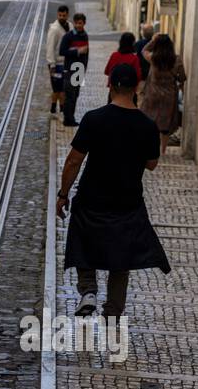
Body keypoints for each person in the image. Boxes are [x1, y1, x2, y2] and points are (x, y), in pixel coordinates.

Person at [57, 63, 170, 318]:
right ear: (136, 88)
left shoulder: (94, 119)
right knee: (122, 259)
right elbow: (152, 165)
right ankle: (113, 311)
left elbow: (74, 160)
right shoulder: (147, 126)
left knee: (84, 243)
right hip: (127, 202)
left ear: (111, 86)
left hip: (91, 199)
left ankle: (87, 291)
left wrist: (63, 194)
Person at [138, 33, 187, 154]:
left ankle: (148, 148)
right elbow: (182, 77)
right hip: (169, 96)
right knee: (165, 126)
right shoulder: (177, 59)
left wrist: (153, 40)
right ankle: (163, 151)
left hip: (152, 94)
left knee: (150, 121)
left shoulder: (153, 58)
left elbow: (143, 50)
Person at [58, 12, 90, 127]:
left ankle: (71, 118)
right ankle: (68, 120)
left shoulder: (85, 35)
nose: (78, 26)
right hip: (70, 70)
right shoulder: (68, 36)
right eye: (76, 23)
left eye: (80, 23)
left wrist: (84, 68)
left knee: (75, 95)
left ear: (84, 23)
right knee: (69, 95)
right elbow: (62, 51)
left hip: (79, 70)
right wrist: (77, 51)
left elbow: (86, 53)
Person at [45, 5, 71, 116]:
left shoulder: (70, 26)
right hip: (56, 64)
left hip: (67, 63)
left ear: (67, 15)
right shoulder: (54, 29)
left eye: (64, 15)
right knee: (57, 89)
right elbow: (50, 47)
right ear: (57, 14)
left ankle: (60, 109)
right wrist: (52, 64)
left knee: (64, 88)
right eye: (60, 15)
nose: (62, 17)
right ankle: (55, 109)